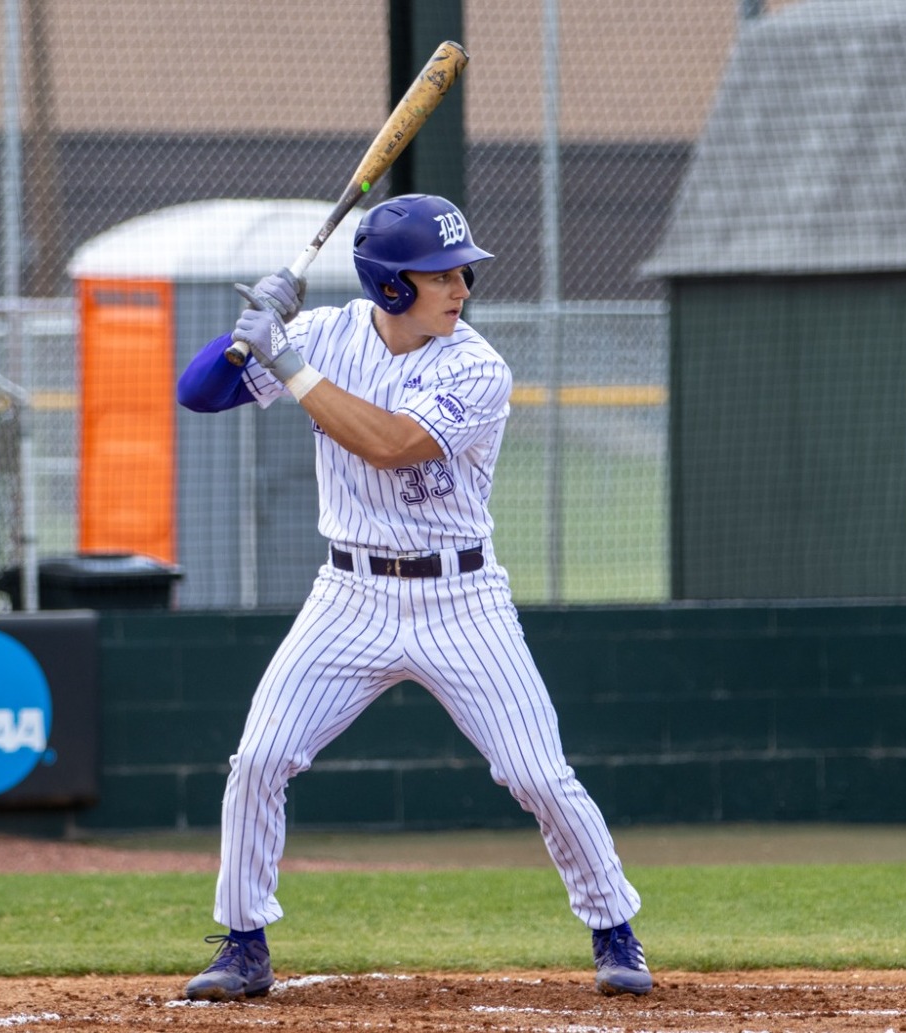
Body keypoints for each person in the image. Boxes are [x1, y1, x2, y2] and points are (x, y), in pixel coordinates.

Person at [174, 194, 651, 1000]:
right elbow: (200, 394)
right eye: (438, 274)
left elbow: (392, 444)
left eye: (461, 270)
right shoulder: (324, 333)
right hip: (347, 594)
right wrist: (243, 335)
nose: (460, 285)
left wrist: (285, 361)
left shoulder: (475, 364)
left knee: (536, 773)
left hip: (460, 597)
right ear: (391, 287)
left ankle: (614, 929)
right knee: (257, 758)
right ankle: (243, 941)